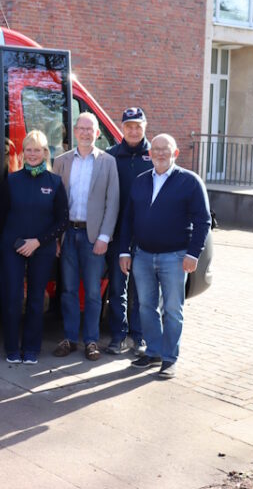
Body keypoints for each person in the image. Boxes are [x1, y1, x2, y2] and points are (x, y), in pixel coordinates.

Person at [119, 134, 211, 379]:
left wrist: (193, 254)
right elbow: (128, 219)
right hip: (143, 256)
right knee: (146, 306)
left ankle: (170, 358)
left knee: (172, 309)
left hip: (175, 257)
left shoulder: (190, 182)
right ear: (149, 153)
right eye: (156, 149)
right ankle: (154, 351)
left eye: (165, 150)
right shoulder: (140, 182)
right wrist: (124, 251)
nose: (160, 153)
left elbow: (203, 221)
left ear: (175, 153)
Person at [51, 112, 119, 361]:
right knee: (68, 290)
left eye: (91, 129)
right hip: (68, 234)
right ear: (74, 131)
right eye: (81, 128)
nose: (86, 133)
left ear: (97, 134)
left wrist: (104, 236)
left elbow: (113, 203)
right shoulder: (61, 162)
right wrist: (55, 237)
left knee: (92, 292)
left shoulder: (108, 162)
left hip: (94, 237)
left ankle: (91, 340)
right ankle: (69, 338)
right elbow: (55, 203)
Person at [0, 130, 68, 364]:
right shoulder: (11, 180)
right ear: (23, 152)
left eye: (37, 150)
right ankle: (11, 348)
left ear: (45, 153)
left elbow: (62, 220)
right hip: (13, 247)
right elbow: (1, 216)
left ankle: (31, 348)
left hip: (42, 247)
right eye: (28, 149)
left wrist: (38, 241)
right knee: (13, 298)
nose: (32, 154)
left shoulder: (55, 183)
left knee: (36, 300)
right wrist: (14, 243)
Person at [104, 107, 153, 356]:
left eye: (137, 126)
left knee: (141, 289)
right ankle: (118, 336)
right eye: (128, 126)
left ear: (145, 126)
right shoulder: (110, 156)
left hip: (144, 234)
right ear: (122, 128)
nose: (133, 130)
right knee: (117, 288)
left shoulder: (155, 155)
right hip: (117, 234)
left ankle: (139, 336)